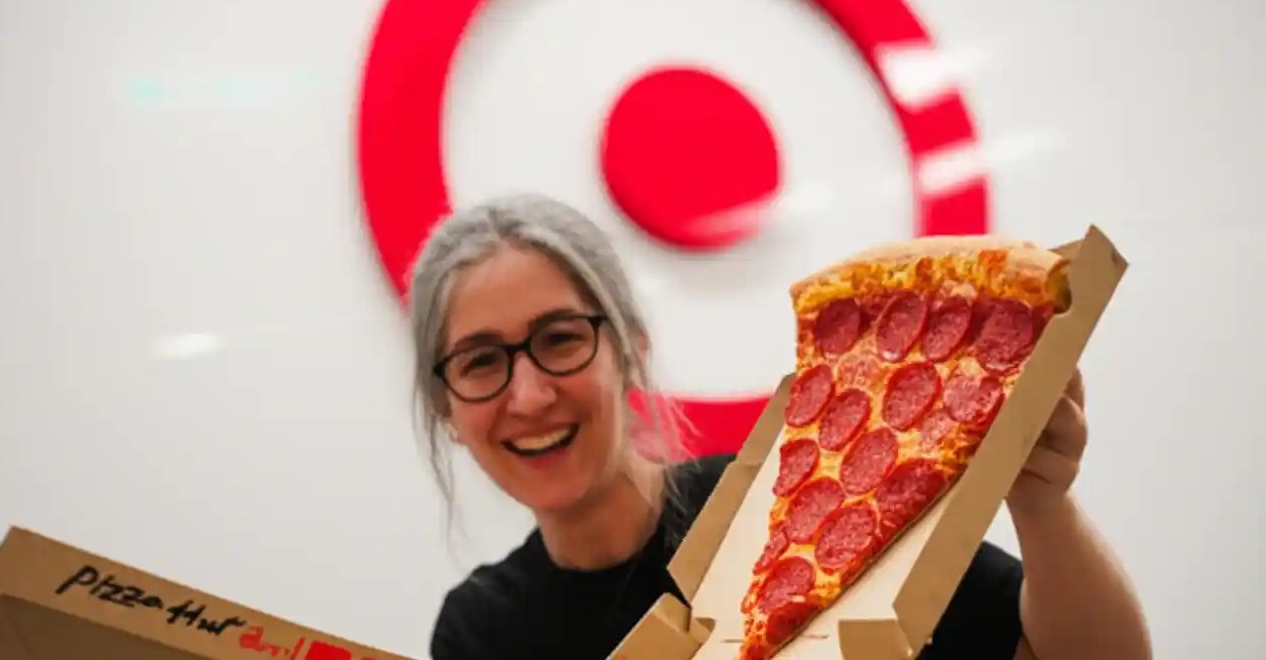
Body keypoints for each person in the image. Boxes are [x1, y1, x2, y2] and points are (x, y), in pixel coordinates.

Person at [410, 193, 1151, 660]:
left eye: (561, 338)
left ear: (631, 348)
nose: (531, 393)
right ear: (446, 408)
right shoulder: (480, 632)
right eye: (480, 361)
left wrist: (1041, 503)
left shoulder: (785, 506)